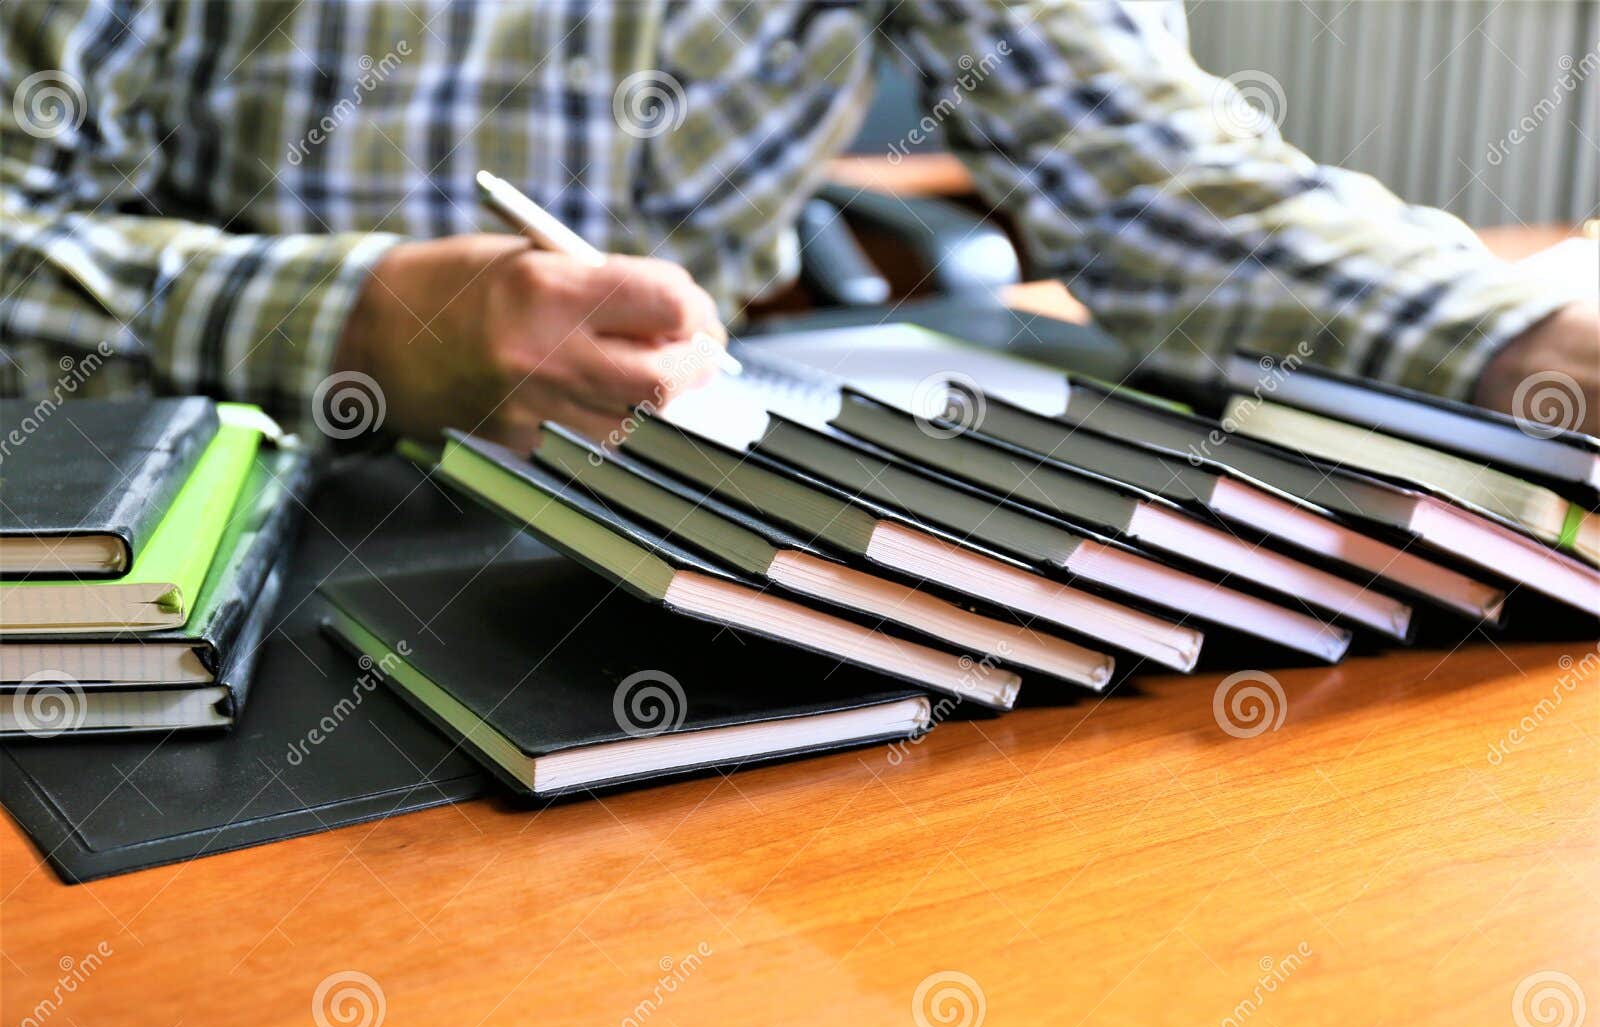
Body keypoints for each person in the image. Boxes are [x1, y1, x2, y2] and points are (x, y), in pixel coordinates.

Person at [2, 0, 1595, 451]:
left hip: (675, 511)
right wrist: (363, 326)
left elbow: (1172, 189)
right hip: (221, 522)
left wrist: (1523, 340)